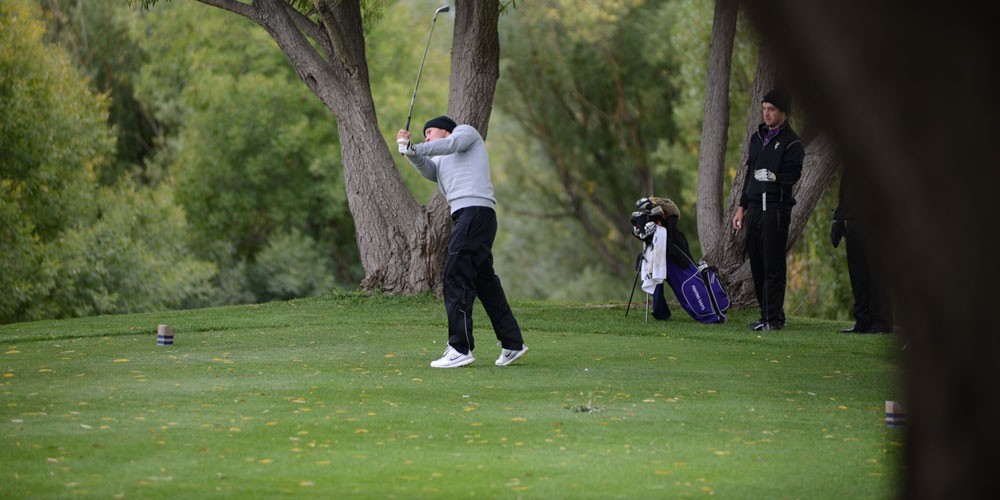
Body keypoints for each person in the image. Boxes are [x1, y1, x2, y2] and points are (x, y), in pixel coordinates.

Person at [396, 116, 527, 368]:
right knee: (484, 281)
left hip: (474, 213)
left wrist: (415, 147)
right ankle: (512, 343)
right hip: (469, 217)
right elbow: (430, 170)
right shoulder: (442, 157)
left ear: (445, 130)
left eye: (429, 132)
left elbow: (449, 145)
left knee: (455, 274)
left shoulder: (465, 134)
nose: (427, 137)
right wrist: (411, 154)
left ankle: (460, 347)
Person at [731, 89, 805, 331]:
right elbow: (748, 177)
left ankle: (773, 318)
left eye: (771, 109)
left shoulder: (791, 142)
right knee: (758, 264)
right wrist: (741, 208)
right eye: (764, 109)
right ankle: (766, 315)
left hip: (775, 208)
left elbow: (793, 175)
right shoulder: (757, 138)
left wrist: (774, 177)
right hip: (753, 208)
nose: (767, 114)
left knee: (773, 264)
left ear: (783, 112)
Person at [831, 170, 893, 334]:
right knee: (858, 274)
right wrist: (838, 218)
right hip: (853, 221)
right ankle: (862, 321)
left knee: (877, 274)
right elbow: (844, 189)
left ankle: (881, 322)